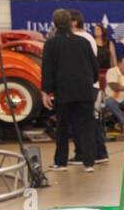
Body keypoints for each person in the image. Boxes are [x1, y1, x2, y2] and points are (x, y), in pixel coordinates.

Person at [40, 9, 99, 172]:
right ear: (69, 22)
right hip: (85, 91)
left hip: (64, 92)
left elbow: (47, 70)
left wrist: (46, 92)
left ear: (54, 23)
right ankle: (89, 163)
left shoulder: (51, 44)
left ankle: (61, 162)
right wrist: (91, 81)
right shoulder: (83, 42)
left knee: (63, 128)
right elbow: (95, 67)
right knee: (86, 127)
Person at [69, 10, 109, 163]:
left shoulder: (80, 38)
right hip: (89, 84)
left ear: (74, 22)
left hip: (85, 85)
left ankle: (91, 153)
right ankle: (96, 152)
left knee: (84, 120)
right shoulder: (88, 38)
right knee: (88, 120)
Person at [104, 56, 124, 130]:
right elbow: (114, 87)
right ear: (119, 64)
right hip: (113, 98)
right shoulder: (111, 71)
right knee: (109, 102)